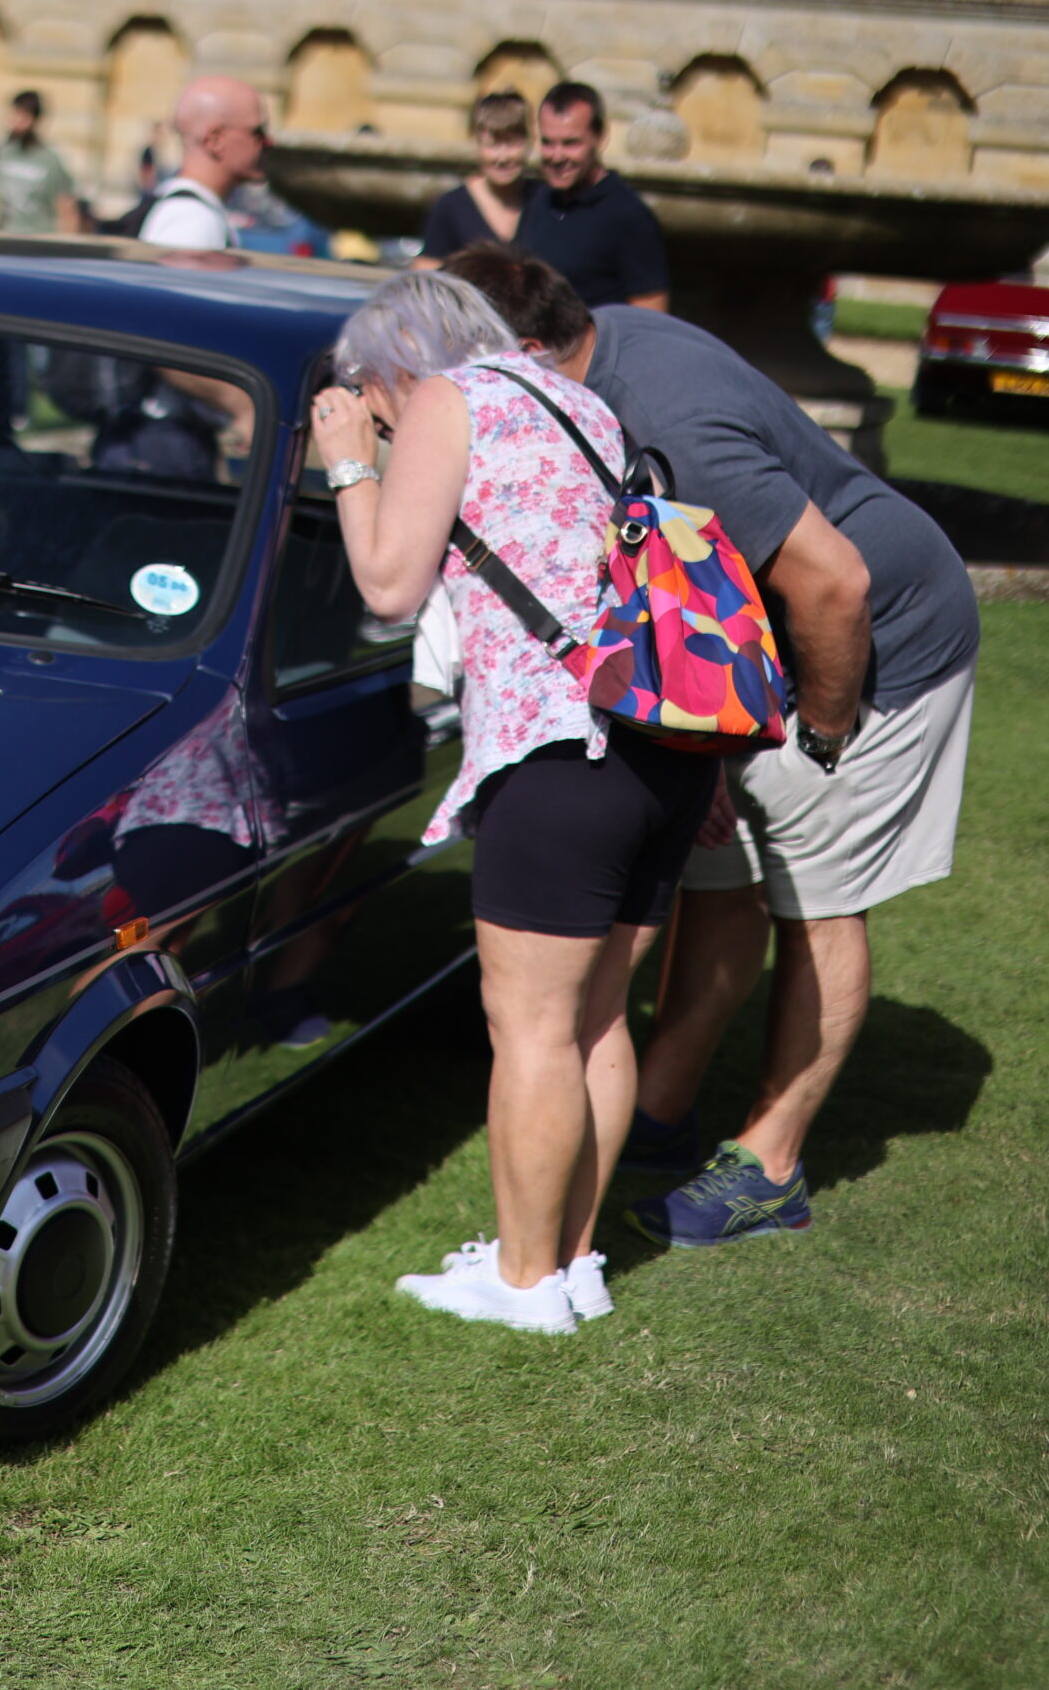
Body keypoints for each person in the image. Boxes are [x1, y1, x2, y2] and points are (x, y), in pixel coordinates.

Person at [445, 243, 981, 1249]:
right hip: (741, 651)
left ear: (522, 349)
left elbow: (835, 584)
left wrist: (816, 734)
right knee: (719, 868)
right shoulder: (586, 355)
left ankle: (771, 1165)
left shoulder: (670, 423)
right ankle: (659, 1109)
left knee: (813, 897)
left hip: (874, 644)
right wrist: (722, 746)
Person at [312, 272, 717, 1332]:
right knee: (592, 1023)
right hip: (655, 752)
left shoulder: (447, 400)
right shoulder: (574, 400)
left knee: (528, 1026)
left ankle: (525, 1282)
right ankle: (570, 1259)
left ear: (392, 365)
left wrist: (350, 461)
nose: (380, 415)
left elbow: (390, 585)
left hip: (555, 752)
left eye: (371, 394)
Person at [519, 82, 667, 310]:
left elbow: (651, 320)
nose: (557, 157)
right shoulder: (540, 198)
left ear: (600, 138)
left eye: (571, 143)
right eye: (548, 142)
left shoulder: (628, 216)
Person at [139, 76, 270, 248]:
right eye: (257, 132)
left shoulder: (186, 210)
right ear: (214, 140)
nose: (268, 142)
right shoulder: (195, 222)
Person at [412, 92, 531, 267]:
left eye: (512, 143)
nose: (503, 157)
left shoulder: (543, 200)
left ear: (530, 141)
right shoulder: (451, 206)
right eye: (492, 144)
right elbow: (425, 275)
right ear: (476, 143)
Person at [0, 90, 79, 235]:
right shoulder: (0, 153)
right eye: (14, 114)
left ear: (35, 120)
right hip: (5, 237)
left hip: (39, 239)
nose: (17, 121)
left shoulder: (50, 160)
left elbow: (66, 208)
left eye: (24, 116)